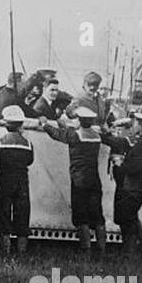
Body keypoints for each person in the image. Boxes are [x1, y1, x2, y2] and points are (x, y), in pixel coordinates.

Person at [42, 105, 106, 256]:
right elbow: (68, 132)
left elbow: (58, 134)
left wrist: (45, 124)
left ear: (79, 120)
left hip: (79, 180)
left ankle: (86, 249)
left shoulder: (76, 135)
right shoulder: (96, 136)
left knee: (81, 213)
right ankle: (102, 249)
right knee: (97, 213)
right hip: (94, 179)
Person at [101, 111, 142, 255]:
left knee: (126, 219)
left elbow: (136, 168)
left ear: (141, 126)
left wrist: (120, 163)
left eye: (135, 124)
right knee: (131, 216)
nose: (133, 126)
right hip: (141, 186)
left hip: (134, 186)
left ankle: (129, 251)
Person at [0, 104, 33, 256]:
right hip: (23, 181)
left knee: (3, 212)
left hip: (6, 180)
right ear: (21, 125)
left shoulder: (1, 141)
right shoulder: (28, 144)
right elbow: (30, 161)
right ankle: (22, 251)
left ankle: (6, 249)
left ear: (6, 123)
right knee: (22, 212)